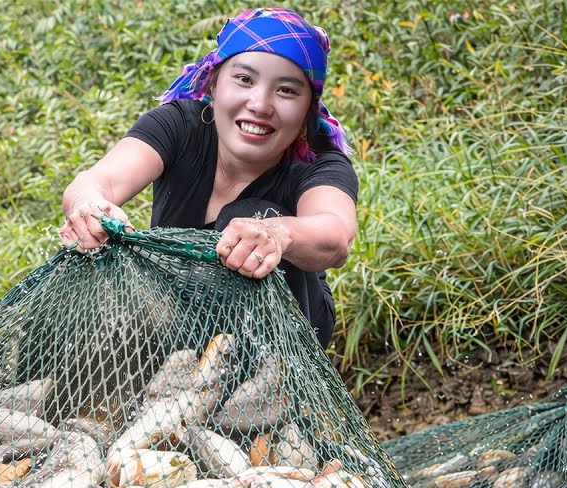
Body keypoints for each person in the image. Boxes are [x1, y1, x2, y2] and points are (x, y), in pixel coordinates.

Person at [58, 7, 357, 347]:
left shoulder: (319, 161)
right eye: (244, 80)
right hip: (179, 304)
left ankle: (264, 386)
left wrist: (278, 234)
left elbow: (335, 234)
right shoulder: (179, 126)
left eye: (286, 91)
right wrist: (91, 207)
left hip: (285, 329)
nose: (259, 104)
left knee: (250, 216)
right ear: (213, 85)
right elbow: (97, 182)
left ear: (308, 110)